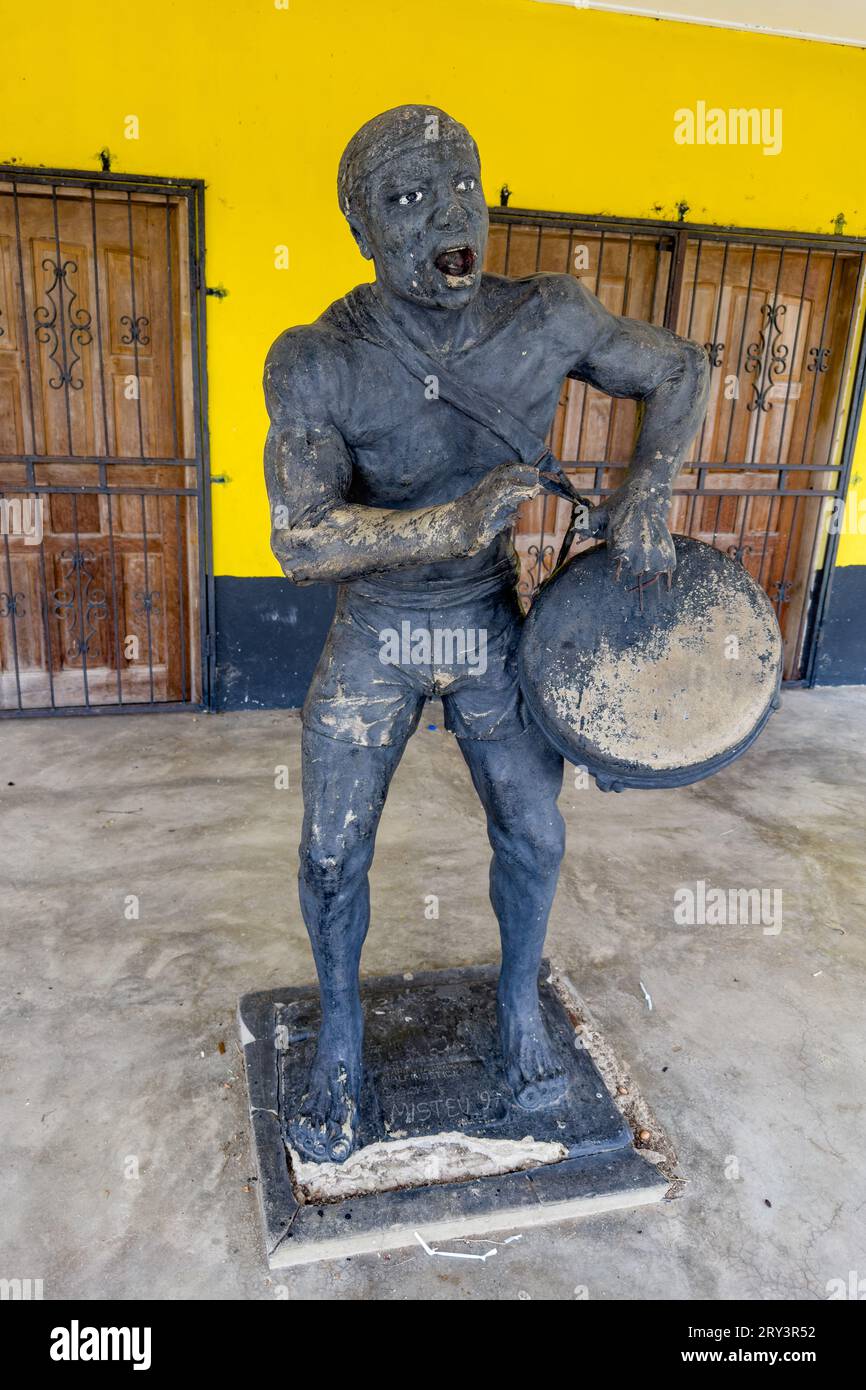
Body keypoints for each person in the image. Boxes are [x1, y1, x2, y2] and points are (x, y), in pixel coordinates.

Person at [263, 105, 709, 1162]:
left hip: (484, 620)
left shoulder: (545, 317)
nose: (441, 219)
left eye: (456, 188)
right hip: (377, 624)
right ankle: (341, 1035)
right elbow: (299, 537)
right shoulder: (315, 359)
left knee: (536, 831)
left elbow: (680, 367)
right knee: (329, 855)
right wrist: (450, 521)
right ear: (361, 229)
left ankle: (518, 1009)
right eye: (404, 203)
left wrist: (648, 492)